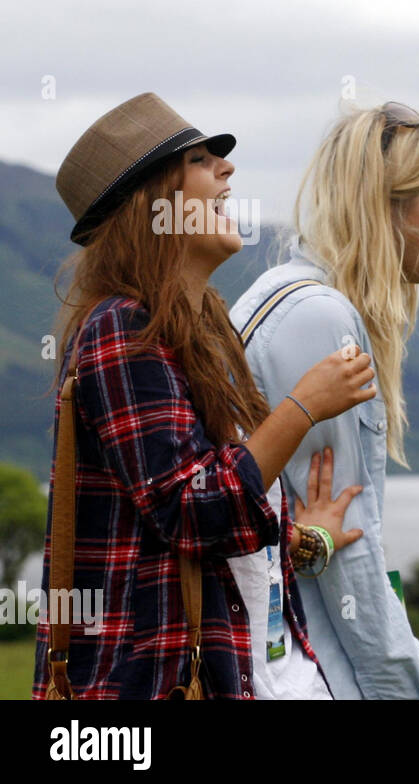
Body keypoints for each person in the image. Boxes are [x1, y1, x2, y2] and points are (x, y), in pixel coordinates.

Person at [34, 93, 371, 700]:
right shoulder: (122, 327)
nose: (227, 168)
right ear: (152, 202)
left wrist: (306, 538)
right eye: (198, 158)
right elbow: (194, 511)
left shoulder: (203, 330)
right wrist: (302, 409)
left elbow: (224, 550)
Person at [231, 101, 419, 699]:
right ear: (386, 204)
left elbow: (309, 538)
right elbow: (351, 562)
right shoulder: (317, 319)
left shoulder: (291, 300)